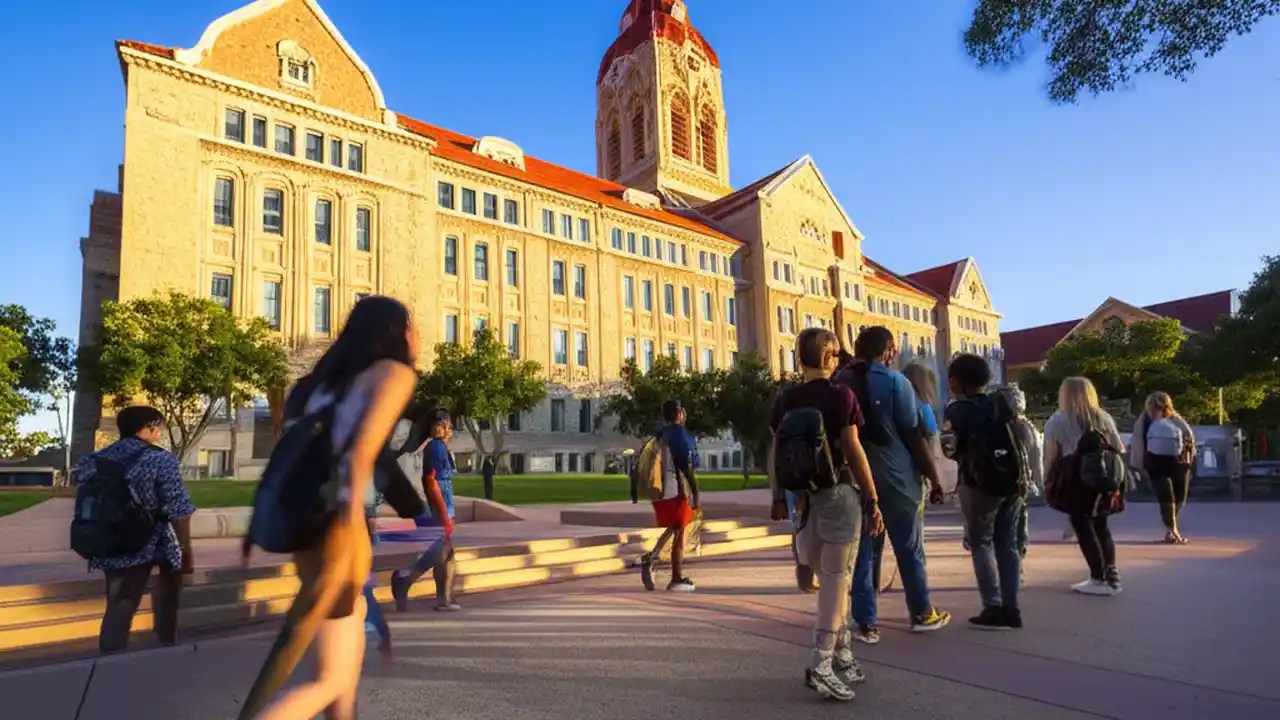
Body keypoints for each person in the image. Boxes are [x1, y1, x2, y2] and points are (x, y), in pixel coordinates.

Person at [239, 296, 419, 720]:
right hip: (338, 524)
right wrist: (350, 531)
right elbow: (358, 454)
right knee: (329, 680)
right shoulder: (393, 373)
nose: (418, 335)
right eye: (413, 325)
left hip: (305, 523)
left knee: (341, 672)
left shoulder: (322, 383)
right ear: (398, 330)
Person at [768, 328, 883, 701]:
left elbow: (775, 452)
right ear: (831, 358)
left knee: (824, 572)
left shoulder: (784, 400)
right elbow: (853, 448)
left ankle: (843, 653)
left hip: (801, 497)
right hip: (838, 494)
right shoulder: (841, 396)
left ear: (799, 358)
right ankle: (821, 661)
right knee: (837, 579)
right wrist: (872, 496)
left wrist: (777, 496)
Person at [841, 327, 950, 645]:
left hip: (860, 479)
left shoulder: (841, 382)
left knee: (865, 552)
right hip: (899, 478)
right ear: (888, 349)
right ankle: (921, 612)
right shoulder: (896, 382)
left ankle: (866, 622)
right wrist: (934, 477)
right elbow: (914, 435)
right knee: (910, 548)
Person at [72, 405, 196, 654]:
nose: (159, 432)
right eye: (158, 427)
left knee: (118, 598)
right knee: (165, 587)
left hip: (107, 536)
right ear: (150, 427)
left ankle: (112, 657)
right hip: (150, 538)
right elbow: (178, 508)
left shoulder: (94, 460)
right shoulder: (160, 459)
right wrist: (185, 548)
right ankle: (165, 645)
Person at [942, 355, 1024, 630]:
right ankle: (1011, 608)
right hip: (1012, 480)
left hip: (978, 482)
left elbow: (949, 449)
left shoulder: (956, 411)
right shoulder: (1002, 403)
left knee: (981, 542)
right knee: (1008, 543)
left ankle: (992, 605)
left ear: (956, 381)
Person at [1043, 377, 1126, 597]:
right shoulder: (1104, 418)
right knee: (1101, 525)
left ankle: (1097, 577)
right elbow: (1119, 448)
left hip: (1074, 478)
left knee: (1082, 525)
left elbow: (1052, 455)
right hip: (1104, 479)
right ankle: (1111, 573)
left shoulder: (1058, 420)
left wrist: (1047, 478)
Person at [390, 408, 460, 612]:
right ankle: (405, 577)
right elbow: (431, 481)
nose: (447, 430)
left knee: (446, 552)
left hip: (443, 504)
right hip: (438, 505)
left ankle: (443, 598)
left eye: (449, 426)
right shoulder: (436, 448)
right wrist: (443, 513)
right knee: (441, 551)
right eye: (442, 425)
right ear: (432, 427)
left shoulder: (438, 447)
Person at [638, 399, 700, 592]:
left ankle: (651, 557)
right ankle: (676, 578)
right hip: (676, 491)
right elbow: (685, 464)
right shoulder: (678, 434)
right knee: (680, 532)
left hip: (659, 493)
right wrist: (695, 493)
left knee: (674, 527)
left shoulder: (660, 435)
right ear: (680, 413)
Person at [1130, 391, 1195, 544]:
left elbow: (1188, 438)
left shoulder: (1174, 419)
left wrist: (1189, 458)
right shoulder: (1145, 420)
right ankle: (1173, 530)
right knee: (1166, 497)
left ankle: (1170, 529)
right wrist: (1139, 465)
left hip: (1176, 462)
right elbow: (1138, 441)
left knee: (1179, 498)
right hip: (1157, 463)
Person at [994, 385, 1044, 565]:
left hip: (997, 482)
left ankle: (1007, 558)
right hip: (1020, 481)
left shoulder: (992, 425)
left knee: (1001, 522)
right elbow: (1036, 455)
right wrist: (1038, 479)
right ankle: (1018, 557)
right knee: (1020, 518)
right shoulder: (1026, 427)